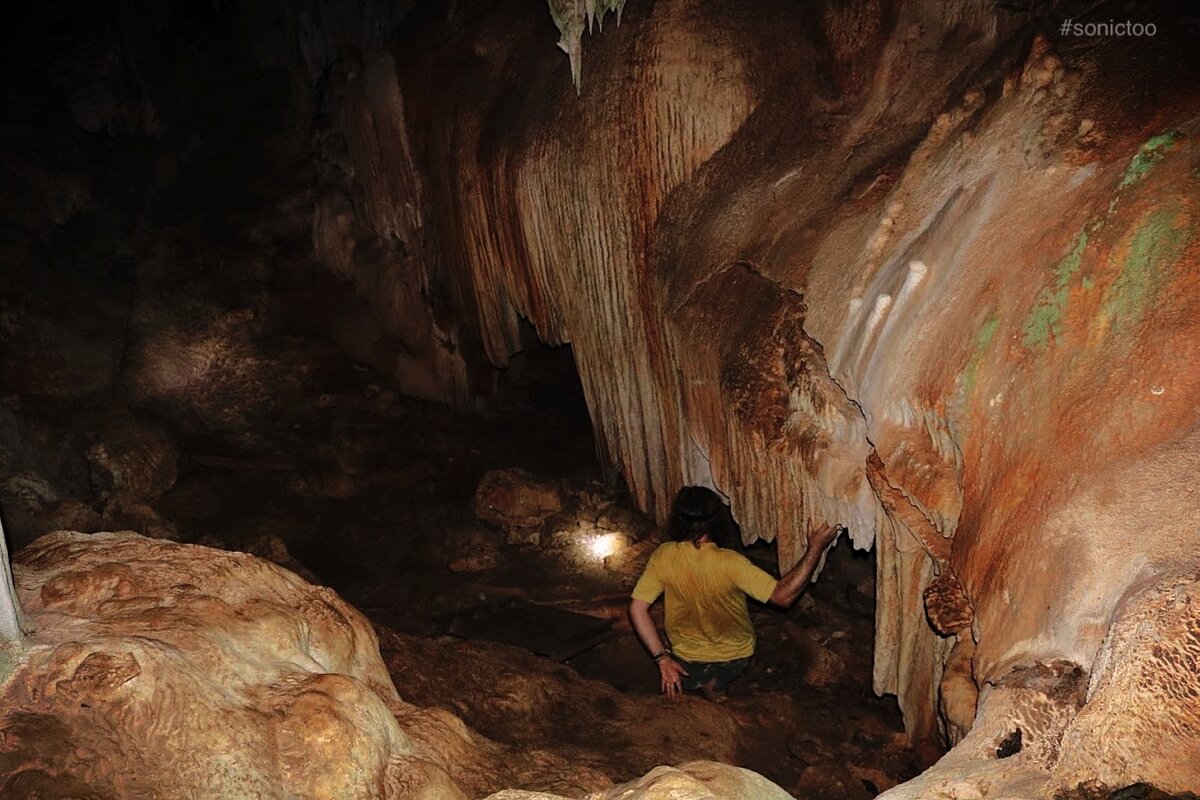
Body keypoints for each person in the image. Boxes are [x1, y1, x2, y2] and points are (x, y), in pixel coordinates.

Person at [629, 486, 841, 700]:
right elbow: (783, 596)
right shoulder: (731, 562)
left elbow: (637, 608)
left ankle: (703, 683)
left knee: (694, 675)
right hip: (736, 655)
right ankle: (716, 686)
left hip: (686, 657)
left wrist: (662, 658)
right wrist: (815, 548)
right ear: (717, 521)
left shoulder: (663, 556)